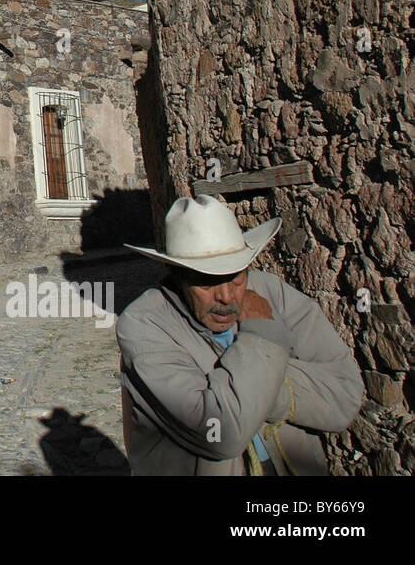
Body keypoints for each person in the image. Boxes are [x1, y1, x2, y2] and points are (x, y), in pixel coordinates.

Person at [116, 194, 363, 475]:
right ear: (178, 275)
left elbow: (345, 398)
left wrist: (250, 397)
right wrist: (262, 330)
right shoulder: (145, 323)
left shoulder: (273, 293)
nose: (226, 296)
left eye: (236, 277)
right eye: (206, 281)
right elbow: (222, 434)